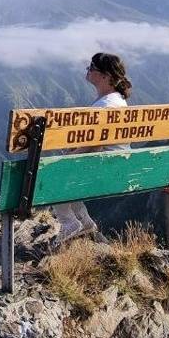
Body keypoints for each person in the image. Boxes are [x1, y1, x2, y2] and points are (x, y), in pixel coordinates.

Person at [52, 52, 133, 243]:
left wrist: (71, 155)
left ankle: (68, 222)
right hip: (121, 166)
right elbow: (96, 141)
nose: (87, 70)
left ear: (106, 76)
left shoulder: (104, 107)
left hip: (102, 168)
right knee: (66, 168)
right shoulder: (119, 101)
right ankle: (85, 222)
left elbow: (94, 144)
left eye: (92, 67)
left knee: (52, 172)